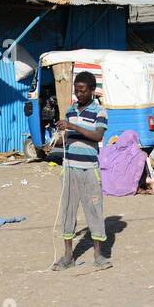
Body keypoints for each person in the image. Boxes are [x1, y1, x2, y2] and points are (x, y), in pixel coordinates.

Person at [52, 70, 110, 271]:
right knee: (67, 211)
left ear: (92, 90)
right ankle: (68, 256)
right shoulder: (70, 110)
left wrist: (73, 127)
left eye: (83, 91)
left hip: (89, 170)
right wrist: (56, 141)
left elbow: (97, 136)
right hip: (69, 168)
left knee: (94, 210)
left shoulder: (100, 112)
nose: (79, 94)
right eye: (77, 91)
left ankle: (99, 255)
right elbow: (68, 137)